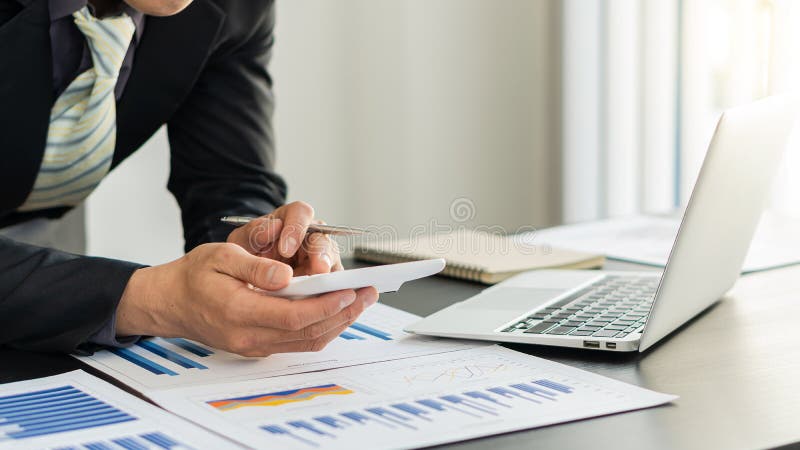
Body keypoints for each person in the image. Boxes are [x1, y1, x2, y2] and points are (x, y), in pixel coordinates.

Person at [0, 0, 379, 355]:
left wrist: (256, 250)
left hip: (42, 254)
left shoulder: (236, 8)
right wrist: (150, 299)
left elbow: (227, 178)